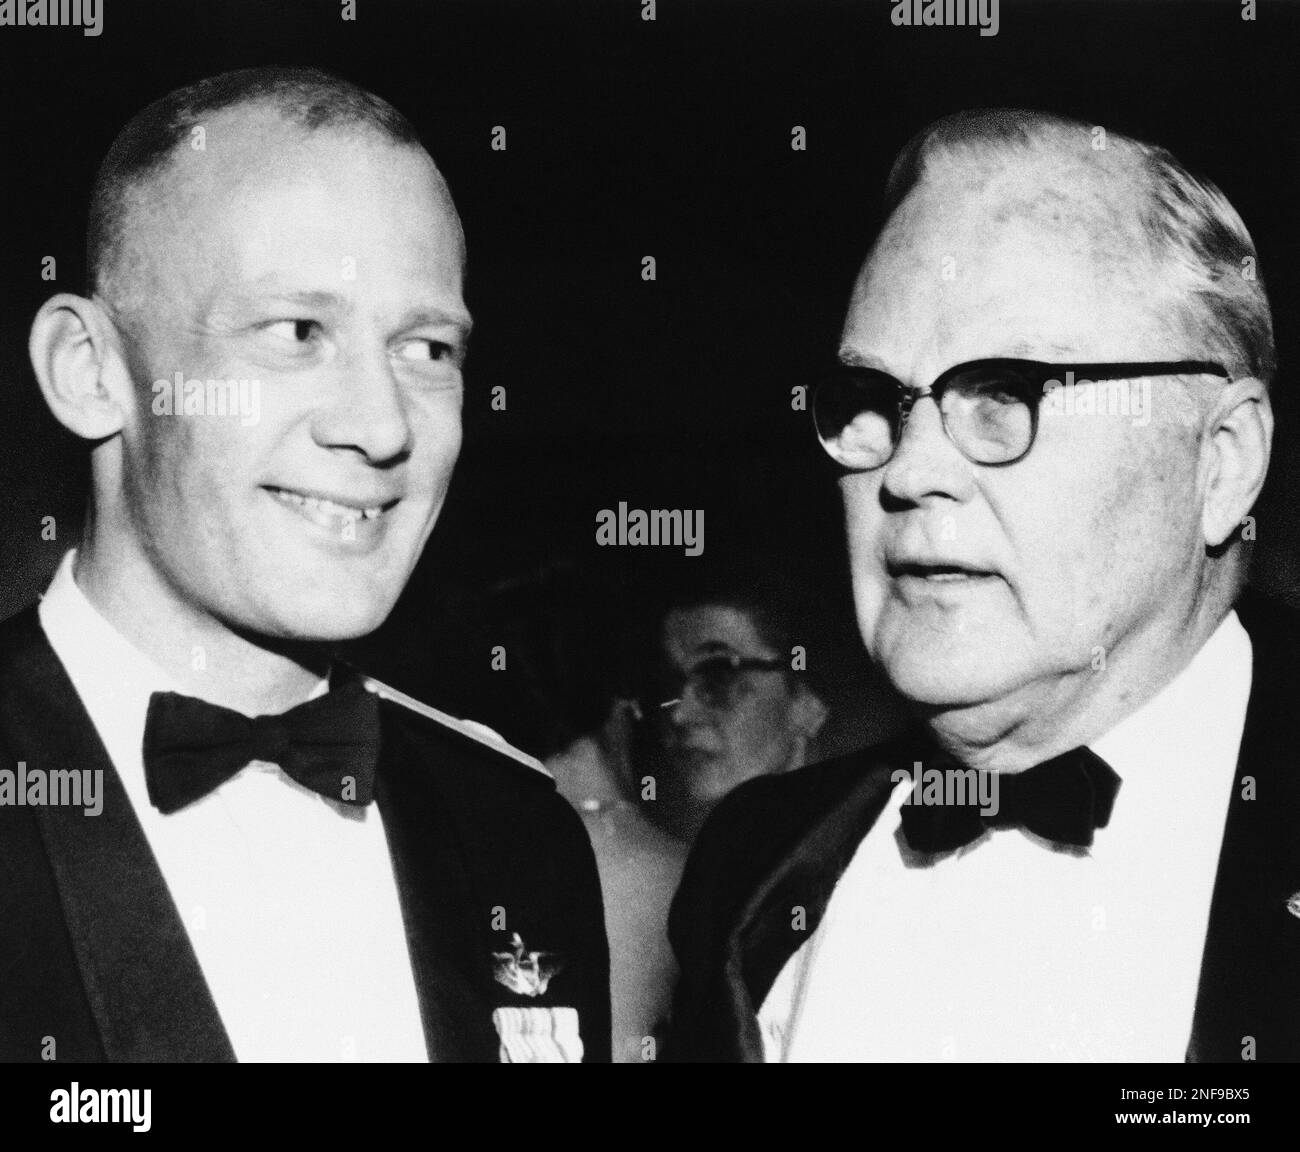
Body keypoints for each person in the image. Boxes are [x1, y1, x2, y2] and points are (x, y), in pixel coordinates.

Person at [0, 66, 609, 1063]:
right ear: (91, 371)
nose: (378, 427)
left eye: (427, 351)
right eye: (295, 334)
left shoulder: (514, 831)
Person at [666, 108, 1299, 1062]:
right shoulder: (753, 866)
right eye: (877, 402)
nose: (911, 471)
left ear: (1221, 462)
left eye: (1007, 393)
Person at [550, 567, 829, 1061]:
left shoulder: (858, 874)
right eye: (665, 684)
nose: (679, 713)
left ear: (809, 701)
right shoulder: (659, 878)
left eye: (719, 674)